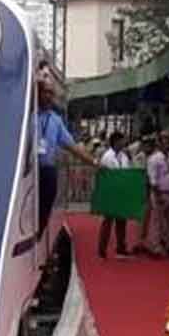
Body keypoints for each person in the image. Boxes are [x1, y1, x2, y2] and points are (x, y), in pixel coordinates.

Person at [36, 78, 98, 233]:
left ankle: (39, 232)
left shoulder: (55, 120)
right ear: (37, 92)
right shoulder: (27, 116)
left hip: (46, 169)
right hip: (27, 170)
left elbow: (73, 147)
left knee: (48, 197)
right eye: (46, 92)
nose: (49, 96)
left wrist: (94, 162)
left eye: (52, 93)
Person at [146, 134, 169, 258]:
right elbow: (152, 179)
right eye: (164, 142)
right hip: (159, 193)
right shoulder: (154, 158)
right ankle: (155, 248)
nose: (167, 144)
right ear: (159, 144)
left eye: (168, 142)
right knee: (157, 221)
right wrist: (157, 195)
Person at [97, 131, 132, 259]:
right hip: (111, 192)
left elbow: (128, 173)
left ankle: (121, 248)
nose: (124, 143)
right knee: (108, 222)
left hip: (122, 191)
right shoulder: (107, 156)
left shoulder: (124, 156)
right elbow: (103, 175)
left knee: (122, 222)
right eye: (122, 140)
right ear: (116, 142)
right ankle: (102, 249)